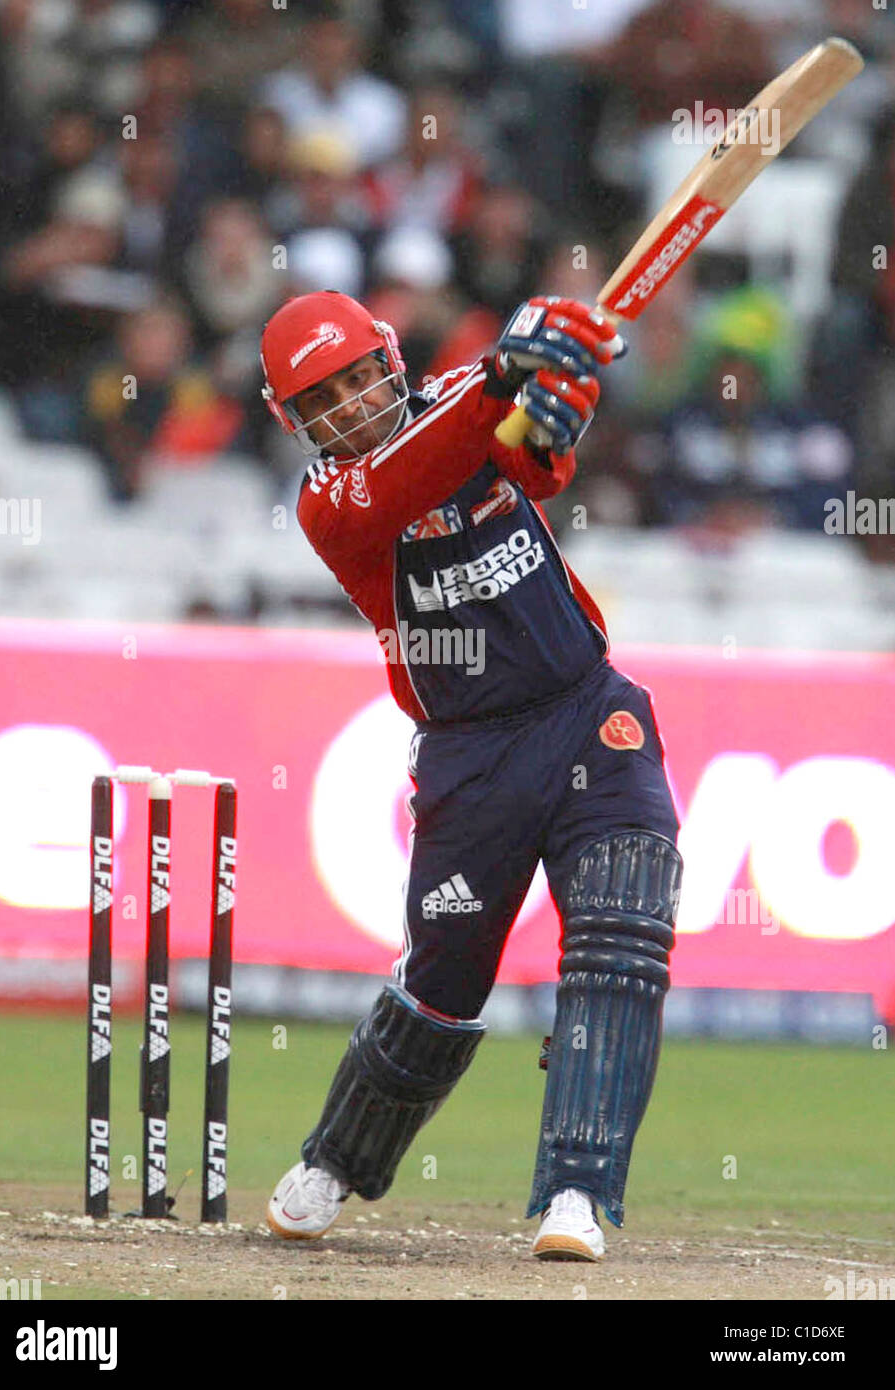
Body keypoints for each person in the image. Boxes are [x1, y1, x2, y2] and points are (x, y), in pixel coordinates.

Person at [259, 289, 683, 1261]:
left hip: (585, 712)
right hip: (469, 754)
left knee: (623, 929)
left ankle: (574, 1191)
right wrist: (503, 373)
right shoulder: (332, 504)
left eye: (364, 374)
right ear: (295, 422)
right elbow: (411, 474)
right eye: (326, 396)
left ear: (393, 361)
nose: (356, 402)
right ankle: (335, 1159)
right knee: (442, 984)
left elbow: (537, 464)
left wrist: (550, 397)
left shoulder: (461, 401)